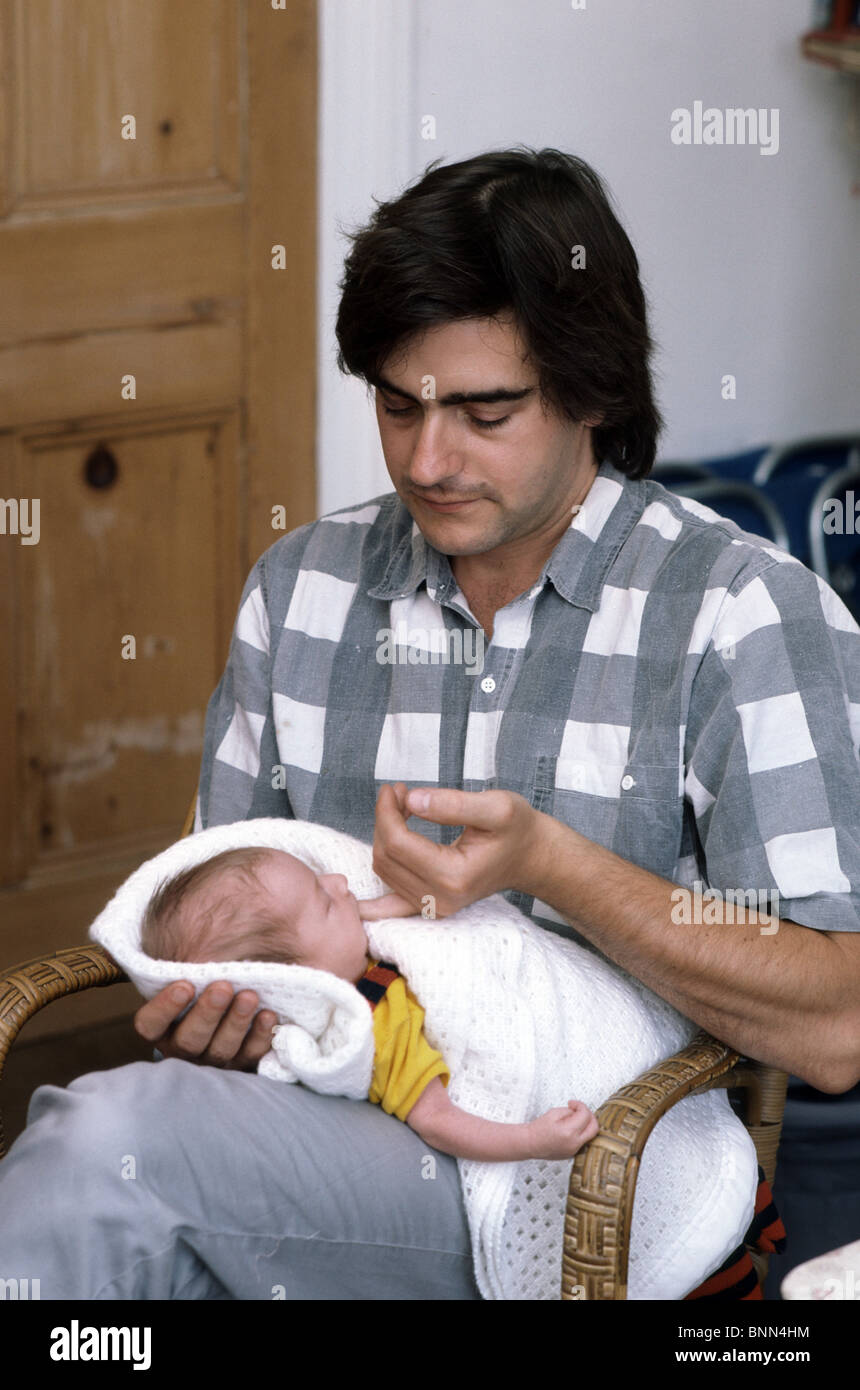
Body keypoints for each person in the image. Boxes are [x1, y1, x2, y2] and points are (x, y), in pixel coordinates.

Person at [1, 147, 857, 1300]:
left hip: (583, 1167)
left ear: (593, 391)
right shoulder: (301, 589)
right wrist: (222, 1009)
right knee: (132, 1186)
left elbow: (836, 1023)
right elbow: (219, 907)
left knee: (106, 1155)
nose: (426, 458)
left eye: (483, 411)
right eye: (397, 406)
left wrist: (553, 864)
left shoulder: (740, 613)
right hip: (323, 1108)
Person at [138, 843, 600, 1162]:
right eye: (324, 902)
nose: (341, 881)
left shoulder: (356, 945)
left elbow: (428, 903)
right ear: (296, 980)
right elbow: (439, 1121)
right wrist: (533, 1139)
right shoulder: (374, 1028)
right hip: (555, 1048)